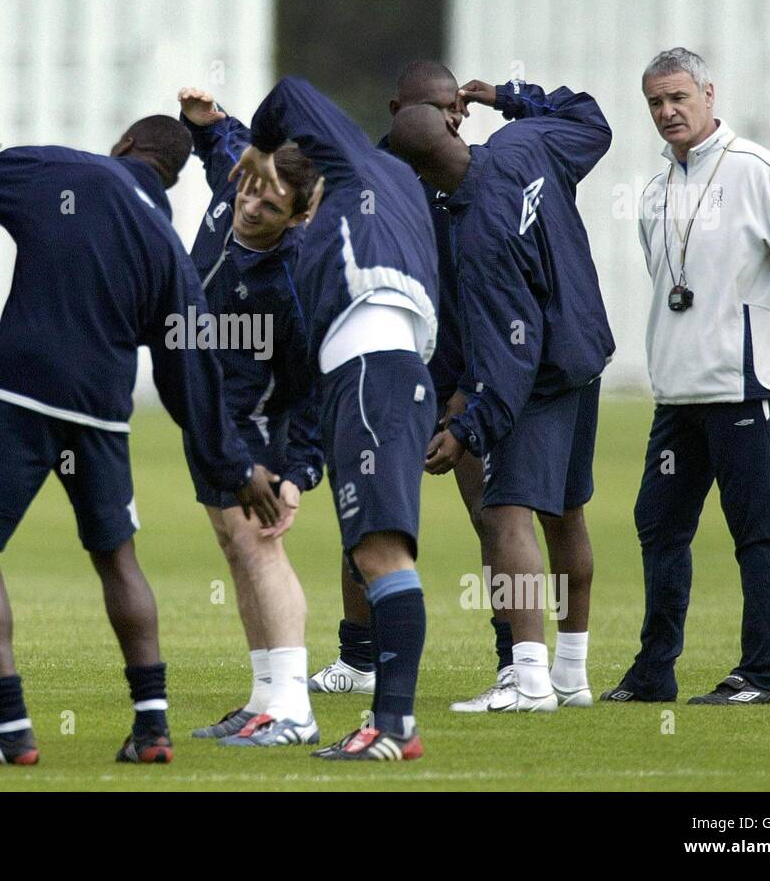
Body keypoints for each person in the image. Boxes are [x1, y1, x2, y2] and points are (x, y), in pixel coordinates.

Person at [0, 120, 283, 767]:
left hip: (19, 393)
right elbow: (190, 373)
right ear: (171, 179)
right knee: (117, 558)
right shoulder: (168, 248)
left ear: (123, 144)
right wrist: (235, 466)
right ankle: (151, 726)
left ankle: (9, 726)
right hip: (103, 414)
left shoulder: (66, 170)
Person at [604, 48, 770, 705]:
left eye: (679, 97)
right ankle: (655, 670)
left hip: (740, 387)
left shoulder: (754, 168)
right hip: (677, 391)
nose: (668, 111)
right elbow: (679, 288)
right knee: (657, 522)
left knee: (754, 531)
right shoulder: (654, 191)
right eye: (656, 101)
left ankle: (761, 676)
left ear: (710, 94)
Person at [390, 77, 615, 712]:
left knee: (508, 516)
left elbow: (509, 350)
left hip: (540, 376)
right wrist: (505, 94)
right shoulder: (524, 144)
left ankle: (531, 680)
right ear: (457, 128)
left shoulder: (478, 232)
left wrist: (467, 426)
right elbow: (590, 118)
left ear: (419, 174)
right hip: (584, 355)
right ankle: (571, 674)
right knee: (566, 514)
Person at [233, 76, 439, 760]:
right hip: (380, 375)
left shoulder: (358, 172)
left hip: (373, 372)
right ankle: (387, 720)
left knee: (382, 554)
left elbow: (291, 91)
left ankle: (395, 725)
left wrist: (255, 147)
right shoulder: (399, 199)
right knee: (373, 551)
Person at [310, 60, 519, 709]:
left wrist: (463, 392)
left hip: (469, 368)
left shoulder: (476, 176)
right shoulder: (373, 176)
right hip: (394, 360)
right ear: (398, 107)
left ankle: (518, 660)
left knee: (494, 512)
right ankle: (359, 658)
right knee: (365, 509)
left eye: (457, 106)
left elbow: (487, 291)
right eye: (436, 106)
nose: (450, 117)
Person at [176, 87, 326, 747]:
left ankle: (294, 706)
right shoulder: (239, 179)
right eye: (252, 187)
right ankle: (264, 695)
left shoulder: (291, 281)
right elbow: (226, 151)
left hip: (256, 427)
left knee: (260, 548)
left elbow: (317, 381)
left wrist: (299, 469)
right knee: (236, 547)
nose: (252, 202)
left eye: (272, 203)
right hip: (206, 416)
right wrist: (206, 124)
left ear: (297, 218)